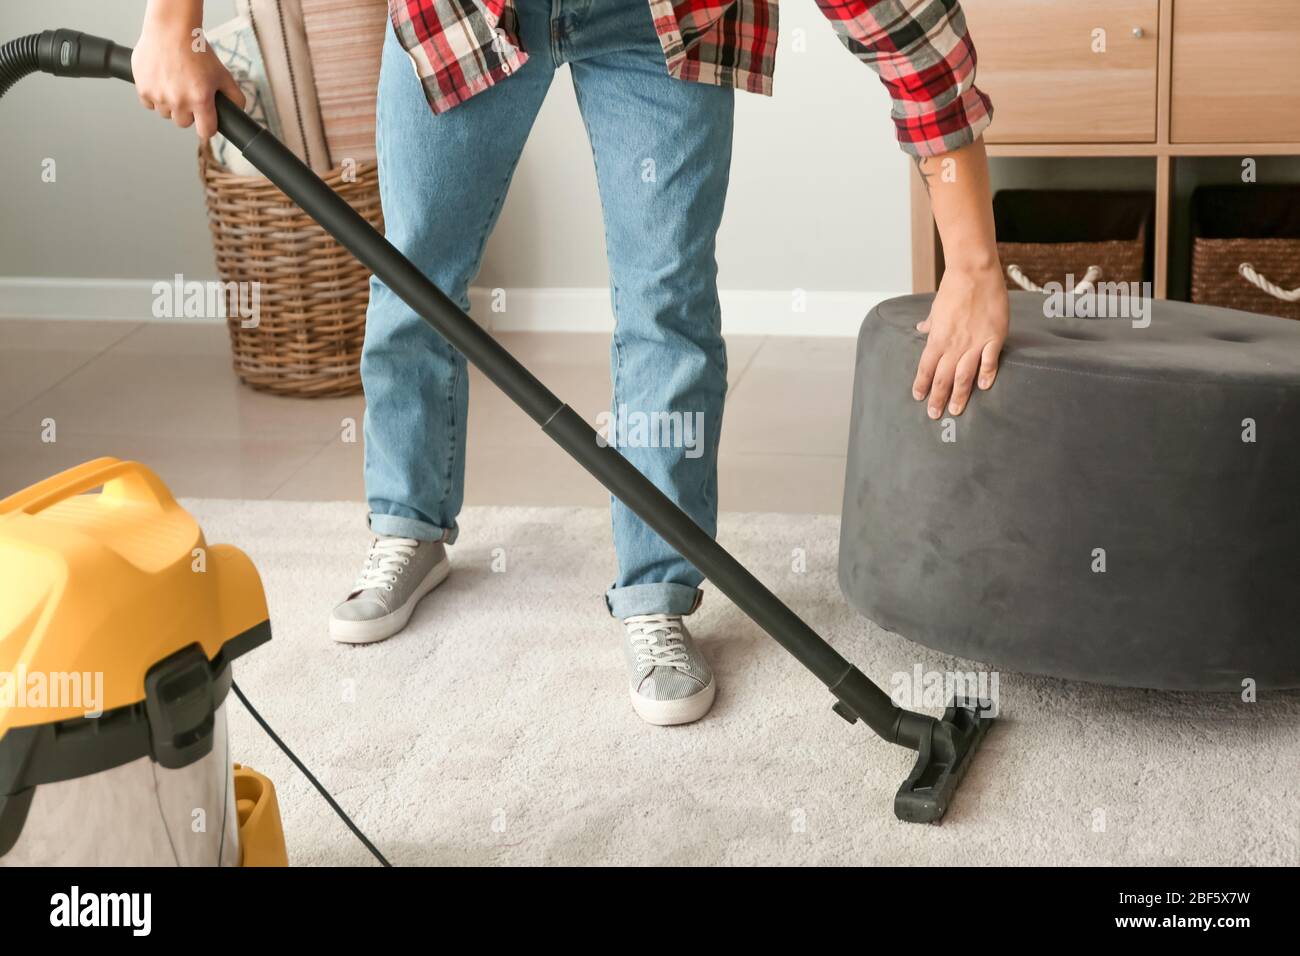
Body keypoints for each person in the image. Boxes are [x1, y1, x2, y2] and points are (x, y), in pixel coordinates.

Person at [134, 0, 1008, 727]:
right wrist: (176, 24)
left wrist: (970, 263)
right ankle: (410, 521)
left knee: (665, 300)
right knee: (413, 269)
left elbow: (903, 26)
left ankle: (657, 593)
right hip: (469, 10)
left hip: (658, 22)